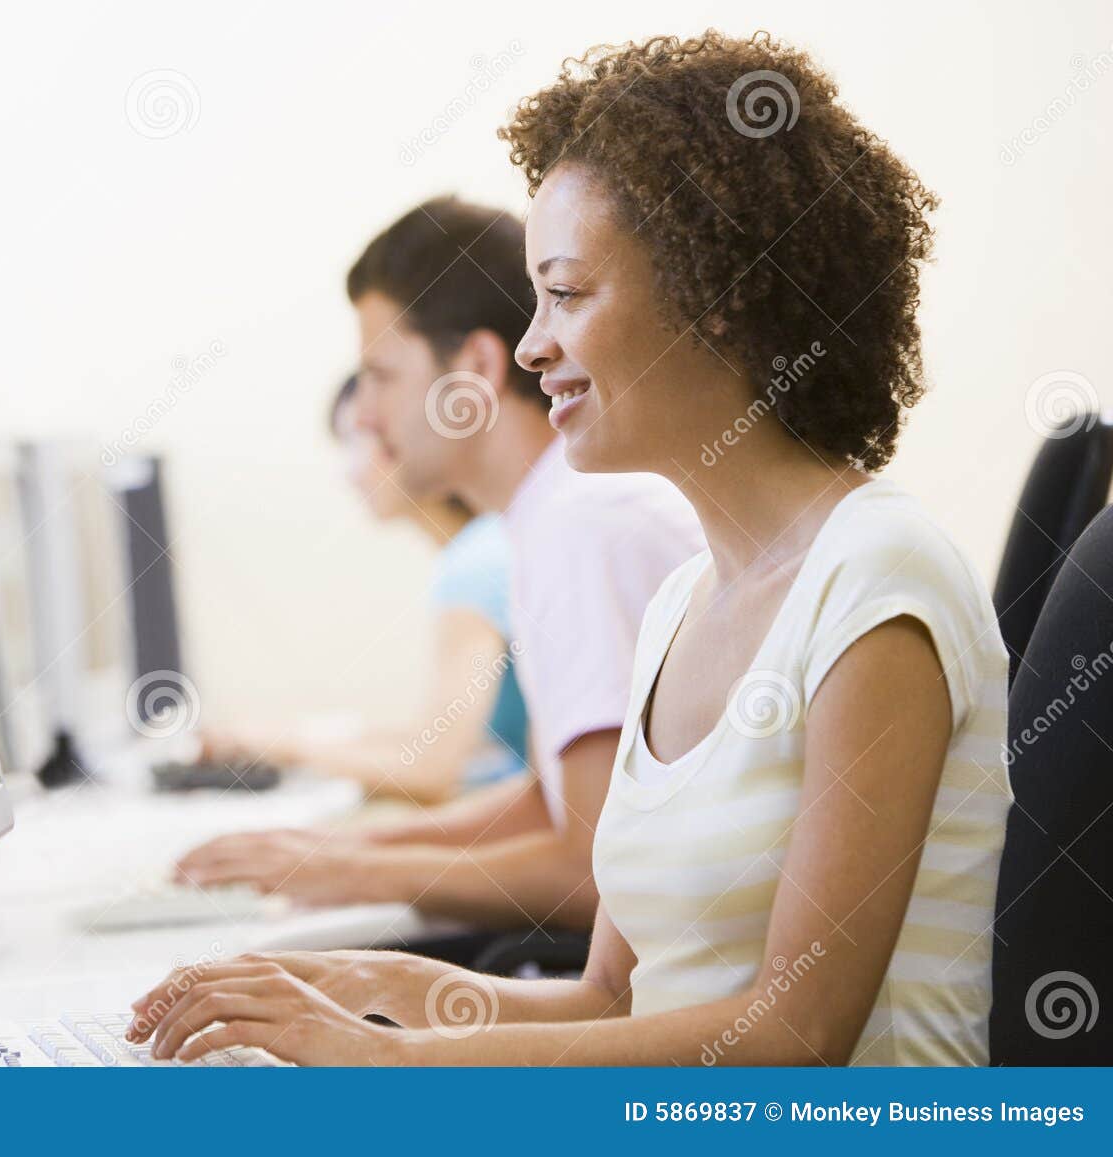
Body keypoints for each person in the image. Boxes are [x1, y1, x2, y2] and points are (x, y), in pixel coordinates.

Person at [135, 30, 1011, 1066]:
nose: (531, 343)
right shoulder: (685, 602)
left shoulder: (876, 578)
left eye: (568, 293)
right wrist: (370, 985)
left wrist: (391, 1060)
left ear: (716, 294)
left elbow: (795, 1037)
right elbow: (610, 996)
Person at [174, 197, 704, 929]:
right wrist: (337, 850)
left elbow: (594, 872)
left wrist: (354, 870)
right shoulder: (548, 513)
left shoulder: (581, 522)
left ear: (476, 369)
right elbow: (556, 797)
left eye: (380, 376)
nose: (361, 416)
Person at [198, 373, 530, 803]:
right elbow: (442, 740)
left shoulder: (474, 563)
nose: (348, 473)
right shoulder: (488, 543)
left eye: (358, 440)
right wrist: (288, 740)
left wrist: (291, 748)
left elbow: (431, 771)